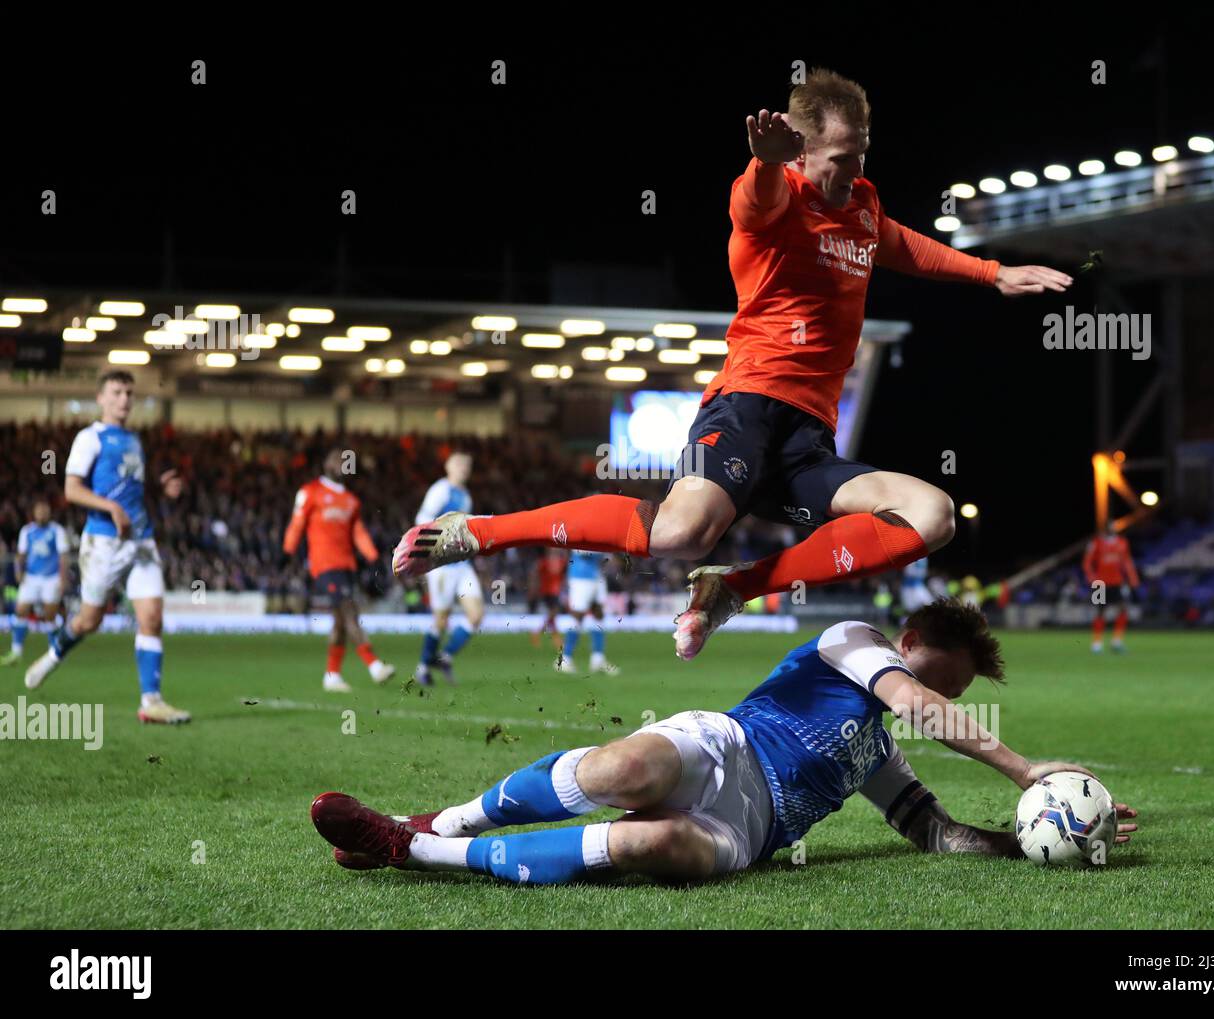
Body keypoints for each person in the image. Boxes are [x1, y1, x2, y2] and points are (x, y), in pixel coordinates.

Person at [393, 68, 1070, 661]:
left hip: (807, 444)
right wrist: (766, 162)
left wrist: (994, 273)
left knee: (934, 514)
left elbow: (906, 246)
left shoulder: (861, 204)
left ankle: (734, 588)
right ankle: (475, 532)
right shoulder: (773, 204)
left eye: (860, 154)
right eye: (836, 157)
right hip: (744, 408)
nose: (850, 171)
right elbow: (756, 201)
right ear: (802, 154)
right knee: (681, 532)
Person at [310, 599, 1138, 882]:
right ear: (913, 639)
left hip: (749, 830)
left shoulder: (878, 753)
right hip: (725, 745)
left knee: (656, 841)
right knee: (624, 766)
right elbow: (914, 701)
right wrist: (1028, 767)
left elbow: (934, 831)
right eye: (941, 678)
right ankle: (444, 822)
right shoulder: (852, 638)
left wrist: (1044, 832)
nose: (934, 699)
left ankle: (409, 850)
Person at [23, 371, 191, 723]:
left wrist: (163, 487)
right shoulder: (90, 438)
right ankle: (54, 654)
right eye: (116, 392)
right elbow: (71, 489)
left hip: (141, 541)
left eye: (129, 393)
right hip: (103, 544)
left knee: (152, 617)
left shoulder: (133, 439)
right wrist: (110, 507)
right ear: (100, 398)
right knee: (89, 620)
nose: (124, 399)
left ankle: (152, 701)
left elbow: (132, 489)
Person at [283, 449, 395, 692]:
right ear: (326, 463)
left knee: (340, 622)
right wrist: (288, 550)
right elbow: (297, 522)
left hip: (346, 565)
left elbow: (358, 532)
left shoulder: (351, 500)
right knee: (349, 609)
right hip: (323, 564)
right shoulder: (310, 492)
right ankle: (374, 665)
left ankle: (332, 676)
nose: (340, 464)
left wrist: (373, 556)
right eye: (336, 460)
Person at [413, 452, 482, 686]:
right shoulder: (441, 489)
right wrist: (431, 550)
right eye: (460, 464)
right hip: (442, 564)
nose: (464, 468)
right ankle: (423, 667)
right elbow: (422, 519)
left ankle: (444, 657)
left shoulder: (466, 496)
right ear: (448, 466)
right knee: (441, 620)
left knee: (476, 616)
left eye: (468, 465)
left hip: (462, 564)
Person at [2, 500, 71, 666]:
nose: (42, 513)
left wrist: (63, 578)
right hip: (31, 577)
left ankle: (55, 652)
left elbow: (63, 556)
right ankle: (16, 652)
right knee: (21, 611)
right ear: (34, 513)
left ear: (49, 513)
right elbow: (21, 554)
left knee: (50, 616)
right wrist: (19, 572)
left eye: (45, 510)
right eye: (39, 510)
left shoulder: (57, 531)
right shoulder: (27, 531)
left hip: (51, 578)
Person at [556, 549, 620, 675]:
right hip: (581, 576)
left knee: (599, 614)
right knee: (578, 616)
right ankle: (564, 659)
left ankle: (597, 659)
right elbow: (582, 551)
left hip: (597, 575)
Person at [1083, 522, 1140, 653]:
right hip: (1100, 583)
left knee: (1123, 609)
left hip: (1117, 582)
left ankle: (1116, 641)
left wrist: (1133, 578)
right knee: (1100, 611)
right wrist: (1091, 577)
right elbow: (1087, 562)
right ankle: (1096, 644)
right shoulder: (1096, 543)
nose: (1112, 529)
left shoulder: (1122, 542)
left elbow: (1126, 561)